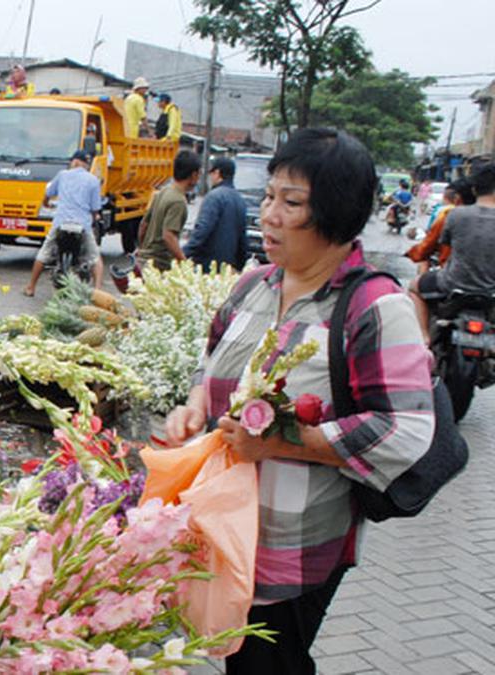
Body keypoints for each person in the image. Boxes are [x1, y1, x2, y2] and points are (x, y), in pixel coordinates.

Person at [164, 128, 434, 674]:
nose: (269, 214)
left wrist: (287, 440)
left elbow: (405, 428)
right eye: (269, 197)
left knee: (269, 665)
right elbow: (210, 359)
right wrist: (194, 404)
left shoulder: (375, 306)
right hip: (222, 527)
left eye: (292, 202)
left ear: (336, 214)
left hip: (294, 546)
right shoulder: (254, 285)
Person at [410, 163, 495, 340]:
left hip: (451, 284)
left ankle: (424, 338)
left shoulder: (456, 215)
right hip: (491, 292)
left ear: (474, 189)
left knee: (414, 287)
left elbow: (444, 243)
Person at [23, 150, 105, 297]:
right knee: (94, 257)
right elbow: (95, 209)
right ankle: (97, 290)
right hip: (82, 225)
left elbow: (48, 194)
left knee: (44, 253)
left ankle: (31, 287)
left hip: (61, 222)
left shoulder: (62, 175)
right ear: (86, 164)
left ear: (74, 162)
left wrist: (46, 204)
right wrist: (94, 217)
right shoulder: (93, 180)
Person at [137, 150, 200, 271]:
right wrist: (184, 262)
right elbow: (169, 236)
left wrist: (142, 249)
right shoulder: (178, 201)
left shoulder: (162, 192)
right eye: (198, 175)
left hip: (143, 262)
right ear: (193, 175)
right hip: (159, 266)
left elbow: (143, 225)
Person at [182, 157, 248, 271]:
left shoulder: (214, 197)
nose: (210, 178)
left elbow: (202, 230)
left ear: (217, 173)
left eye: (211, 173)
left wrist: (184, 254)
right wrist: (240, 265)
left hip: (208, 264)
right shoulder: (240, 200)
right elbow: (243, 237)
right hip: (227, 267)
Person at [405, 178, 472, 274]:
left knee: (416, 282)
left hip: (452, 274)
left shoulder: (448, 214)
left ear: (457, 198)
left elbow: (428, 244)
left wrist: (412, 253)